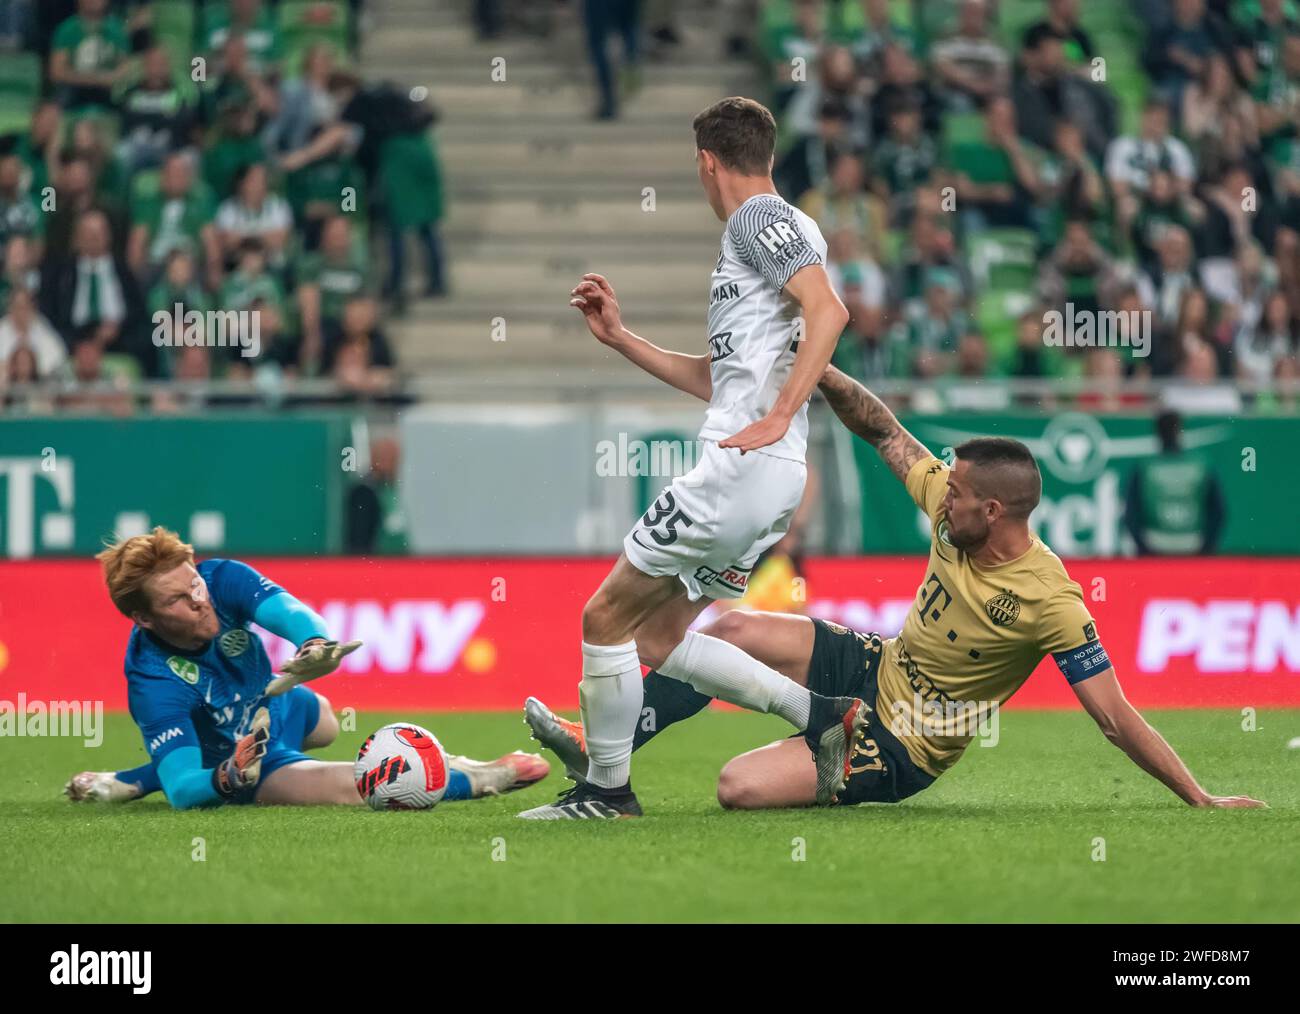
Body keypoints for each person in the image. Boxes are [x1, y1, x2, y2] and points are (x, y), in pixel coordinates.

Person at [525, 367, 1264, 812]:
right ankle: (606, 747)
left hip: (904, 743)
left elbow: (1113, 716)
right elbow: (884, 432)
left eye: (960, 494)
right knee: (732, 630)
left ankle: (827, 737)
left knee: (736, 787)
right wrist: (818, 369)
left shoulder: (1052, 601)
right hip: (877, 665)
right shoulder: (955, 501)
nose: (943, 496)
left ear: (995, 512)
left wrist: (1194, 793)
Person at [517, 96, 856, 821]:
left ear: (707, 163)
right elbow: (717, 377)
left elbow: (831, 312)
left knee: (603, 615)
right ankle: (823, 715)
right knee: (659, 634)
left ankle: (606, 792)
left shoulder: (757, 220)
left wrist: (778, 413)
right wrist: (622, 338)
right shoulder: (789, 232)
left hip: (740, 469)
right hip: (768, 479)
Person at [66, 527, 548, 806]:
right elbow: (184, 794)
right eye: (177, 600)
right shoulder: (153, 679)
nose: (199, 602)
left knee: (325, 722)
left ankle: (130, 779)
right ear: (144, 617)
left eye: (194, 585)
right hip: (246, 753)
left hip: (274, 706)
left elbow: (291, 613)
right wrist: (226, 776)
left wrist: (312, 641)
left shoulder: (222, 579)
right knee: (359, 786)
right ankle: (484, 777)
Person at [1124, 409, 1226, 556]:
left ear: (1157, 433)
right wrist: (1207, 547)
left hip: (1155, 544)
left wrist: (1143, 548)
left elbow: (1131, 514)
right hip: (1193, 543)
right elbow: (1218, 511)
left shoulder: (1144, 467)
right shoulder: (1201, 464)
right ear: (1179, 431)